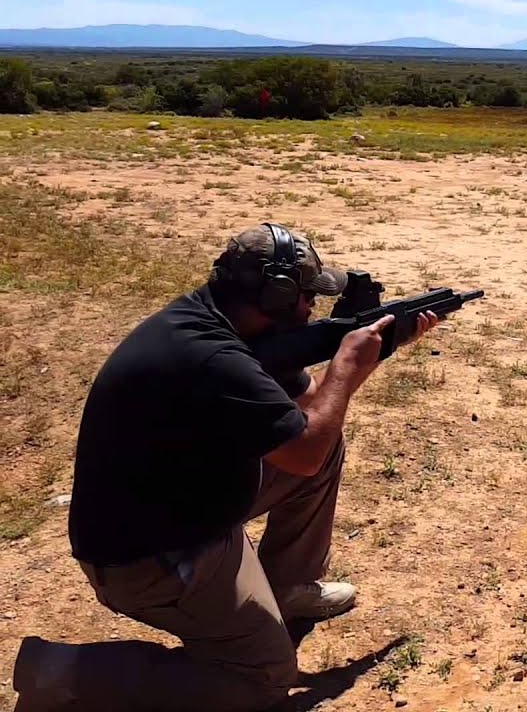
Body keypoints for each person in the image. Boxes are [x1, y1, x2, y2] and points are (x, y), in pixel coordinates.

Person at [11, 222, 439, 712]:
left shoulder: (223, 324)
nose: (310, 310)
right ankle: (59, 670)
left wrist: (366, 351)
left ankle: (285, 589)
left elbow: (314, 415)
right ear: (275, 295)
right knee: (260, 680)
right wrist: (346, 368)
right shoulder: (213, 356)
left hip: (181, 504)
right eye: (304, 298)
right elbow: (304, 450)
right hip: (147, 557)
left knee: (325, 441)